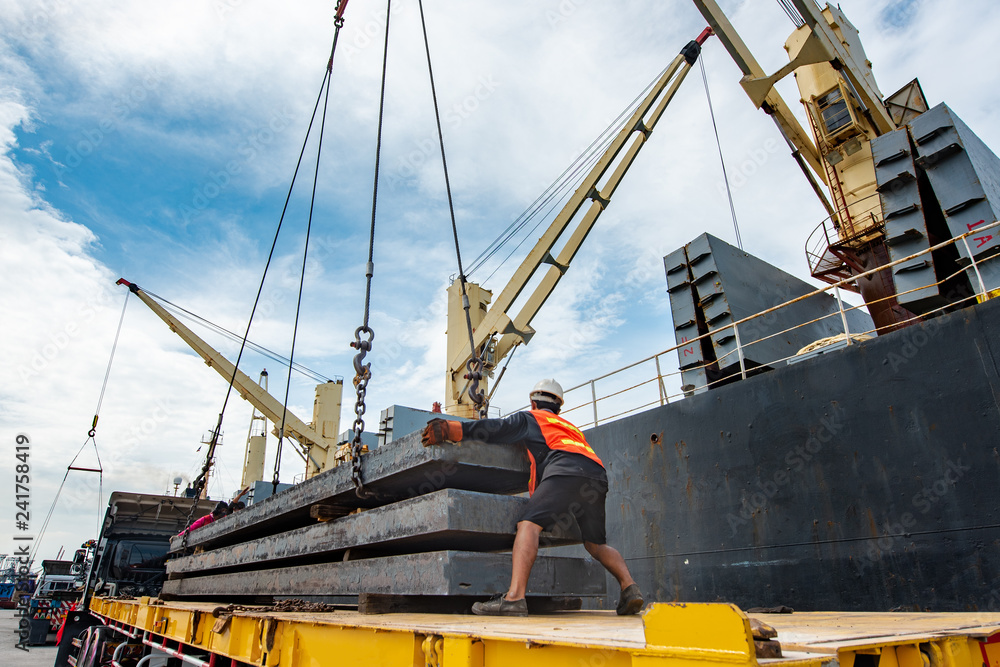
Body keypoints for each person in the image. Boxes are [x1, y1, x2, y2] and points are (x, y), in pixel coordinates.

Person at [421, 378, 644, 617]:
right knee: (595, 544)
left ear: (532, 402)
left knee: (528, 525)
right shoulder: (570, 428)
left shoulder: (530, 418)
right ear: (559, 407)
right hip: (597, 475)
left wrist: (449, 429)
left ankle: (514, 598)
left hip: (565, 470)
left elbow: (495, 429)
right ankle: (629, 587)